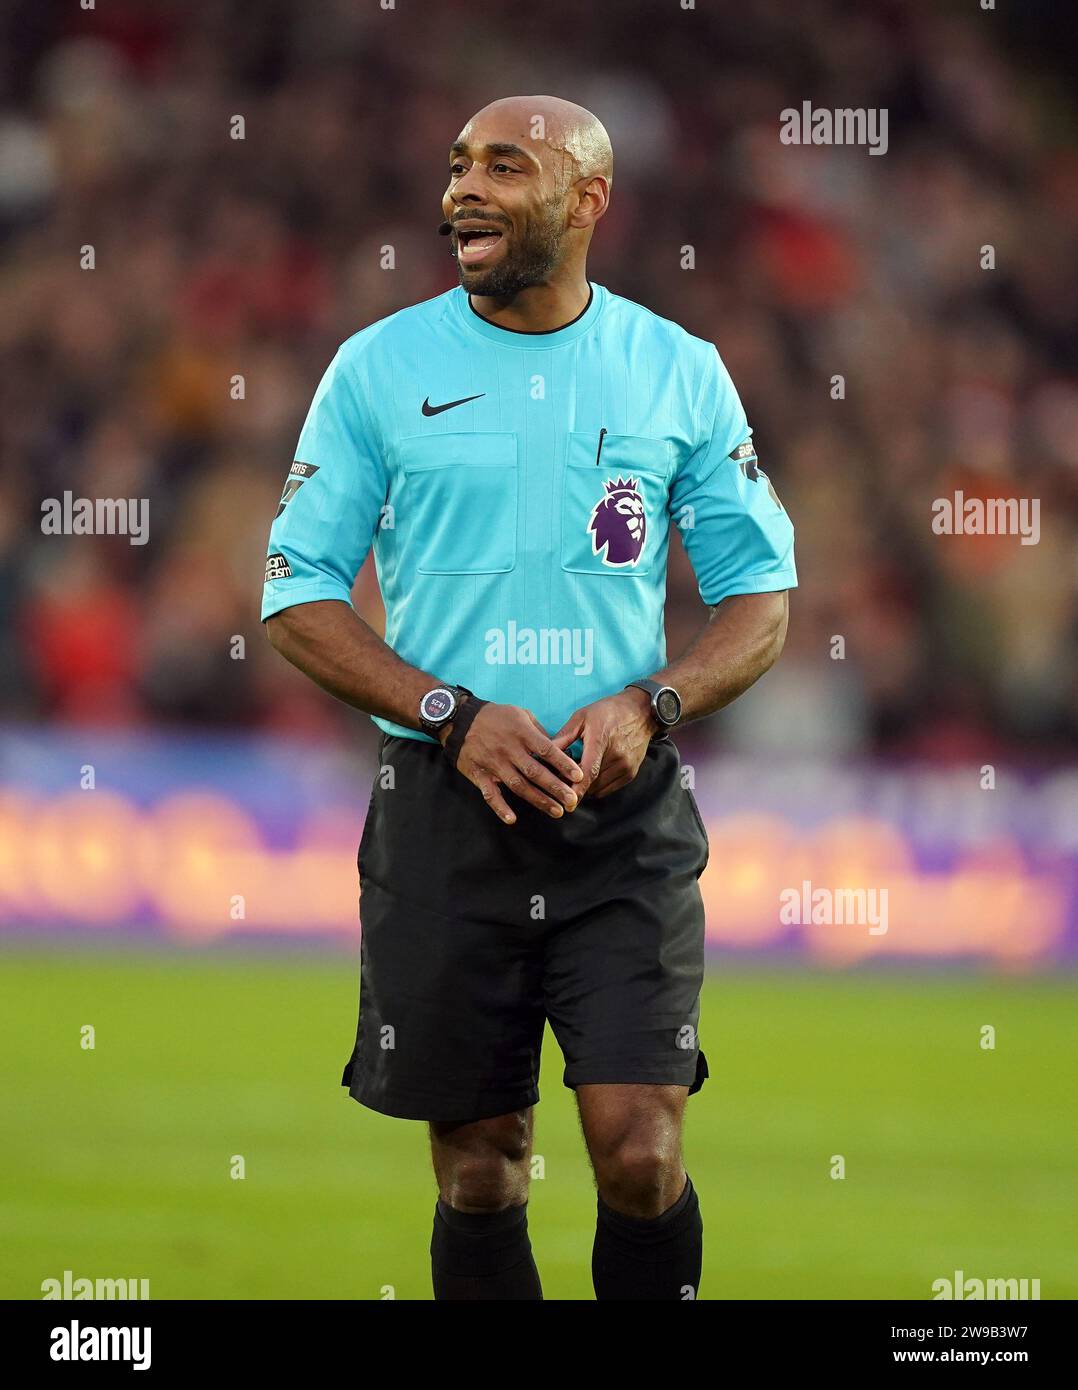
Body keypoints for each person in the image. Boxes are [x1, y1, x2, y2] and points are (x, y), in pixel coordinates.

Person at [263, 94, 796, 1300]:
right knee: (481, 1171)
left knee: (641, 1153)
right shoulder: (377, 368)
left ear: (588, 198)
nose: (464, 189)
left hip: (621, 818)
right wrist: (449, 712)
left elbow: (759, 603)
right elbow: (294, 594)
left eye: (505, 166)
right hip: (446, 815)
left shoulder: (678, 370)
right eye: (456, 165)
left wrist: (647, 706)